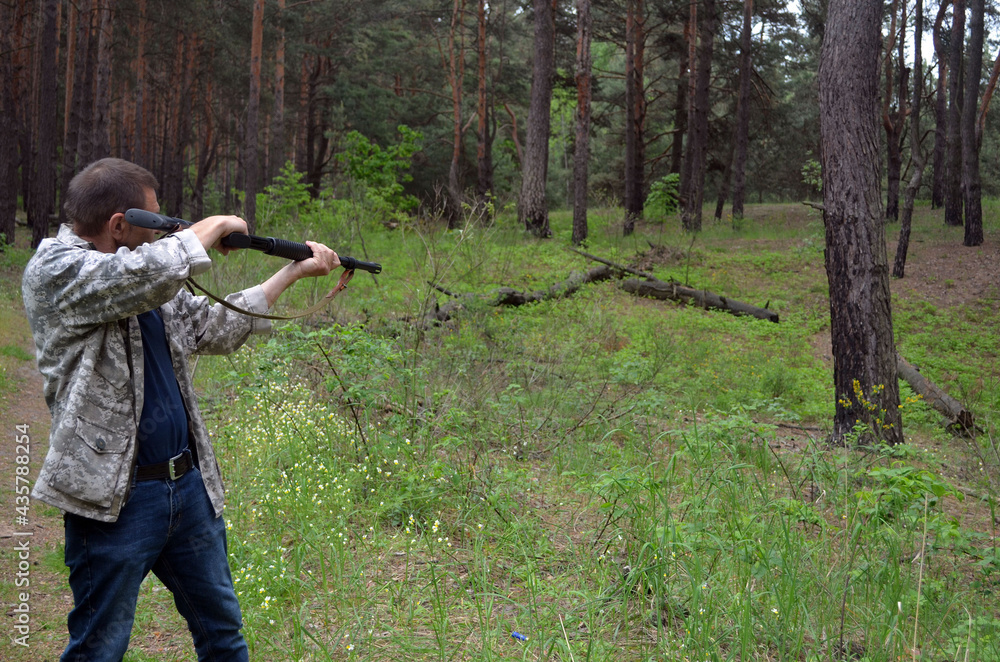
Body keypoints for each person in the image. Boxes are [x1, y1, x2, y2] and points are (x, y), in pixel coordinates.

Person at [22, 157, 342, 661]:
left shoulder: (150, 279)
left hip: (186, 487)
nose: (162, 230)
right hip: (114, 500)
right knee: (98, 649)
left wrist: (293, 272)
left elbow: (213, 328)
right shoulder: (57, 270)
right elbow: (137, 275)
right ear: (119, 225)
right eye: (153, 220)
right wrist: (209, 228)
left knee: (223, 635)